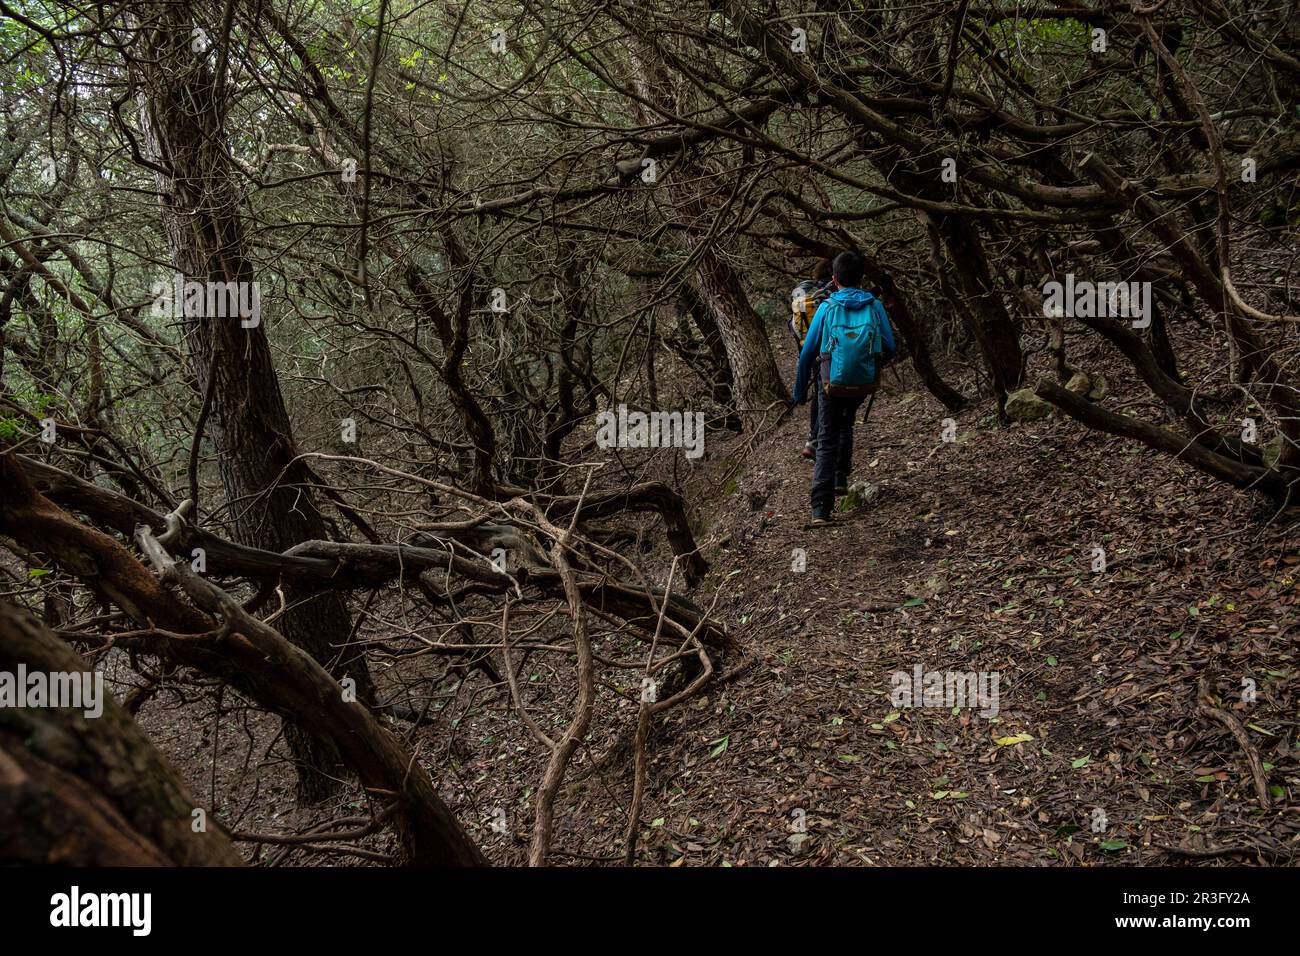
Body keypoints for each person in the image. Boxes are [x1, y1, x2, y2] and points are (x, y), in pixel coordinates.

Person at [792, 251, 896, 526]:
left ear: (834, 279)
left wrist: (800, 390)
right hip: (862, 382)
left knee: (826, 437)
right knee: (846, 423)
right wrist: (870, 366)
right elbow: (890, 345)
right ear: (861, 278)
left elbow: (807, 353)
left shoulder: (827, 307)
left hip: (830, 383)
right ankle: (840, 477)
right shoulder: (873, 305)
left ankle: (820, 511)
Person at [789, 259, 834, 459]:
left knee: (818, 393)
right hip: (827, 352)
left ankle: (813, 437)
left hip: (808, 349)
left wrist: (799, 389)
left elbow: (794, 327)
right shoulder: (830, 294)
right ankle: (816, 439)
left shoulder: (802, 295)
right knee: (827, 396)